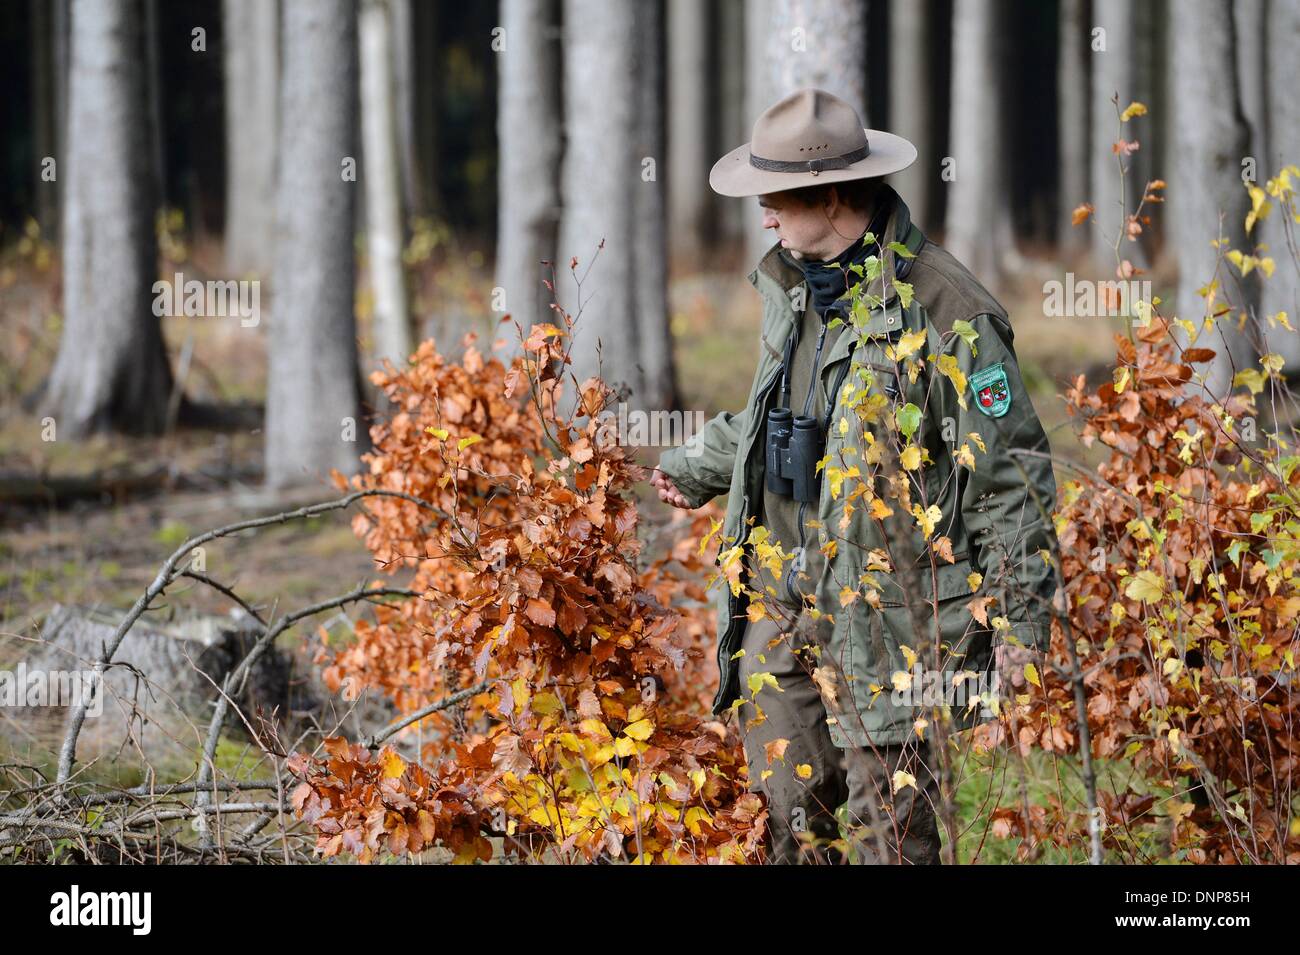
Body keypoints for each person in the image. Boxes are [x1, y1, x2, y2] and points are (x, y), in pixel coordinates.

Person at [651, 88, 1060, 864]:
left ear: (832, 195)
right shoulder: (796, 287)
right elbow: (788, 416)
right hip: (781, 602)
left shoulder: (949, 312)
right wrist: (704, 462)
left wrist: (1018, 629)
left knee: (890, 838)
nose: (764, 217)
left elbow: (1013, 482)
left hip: (894, 628)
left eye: (774, 198)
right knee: (785, 822)